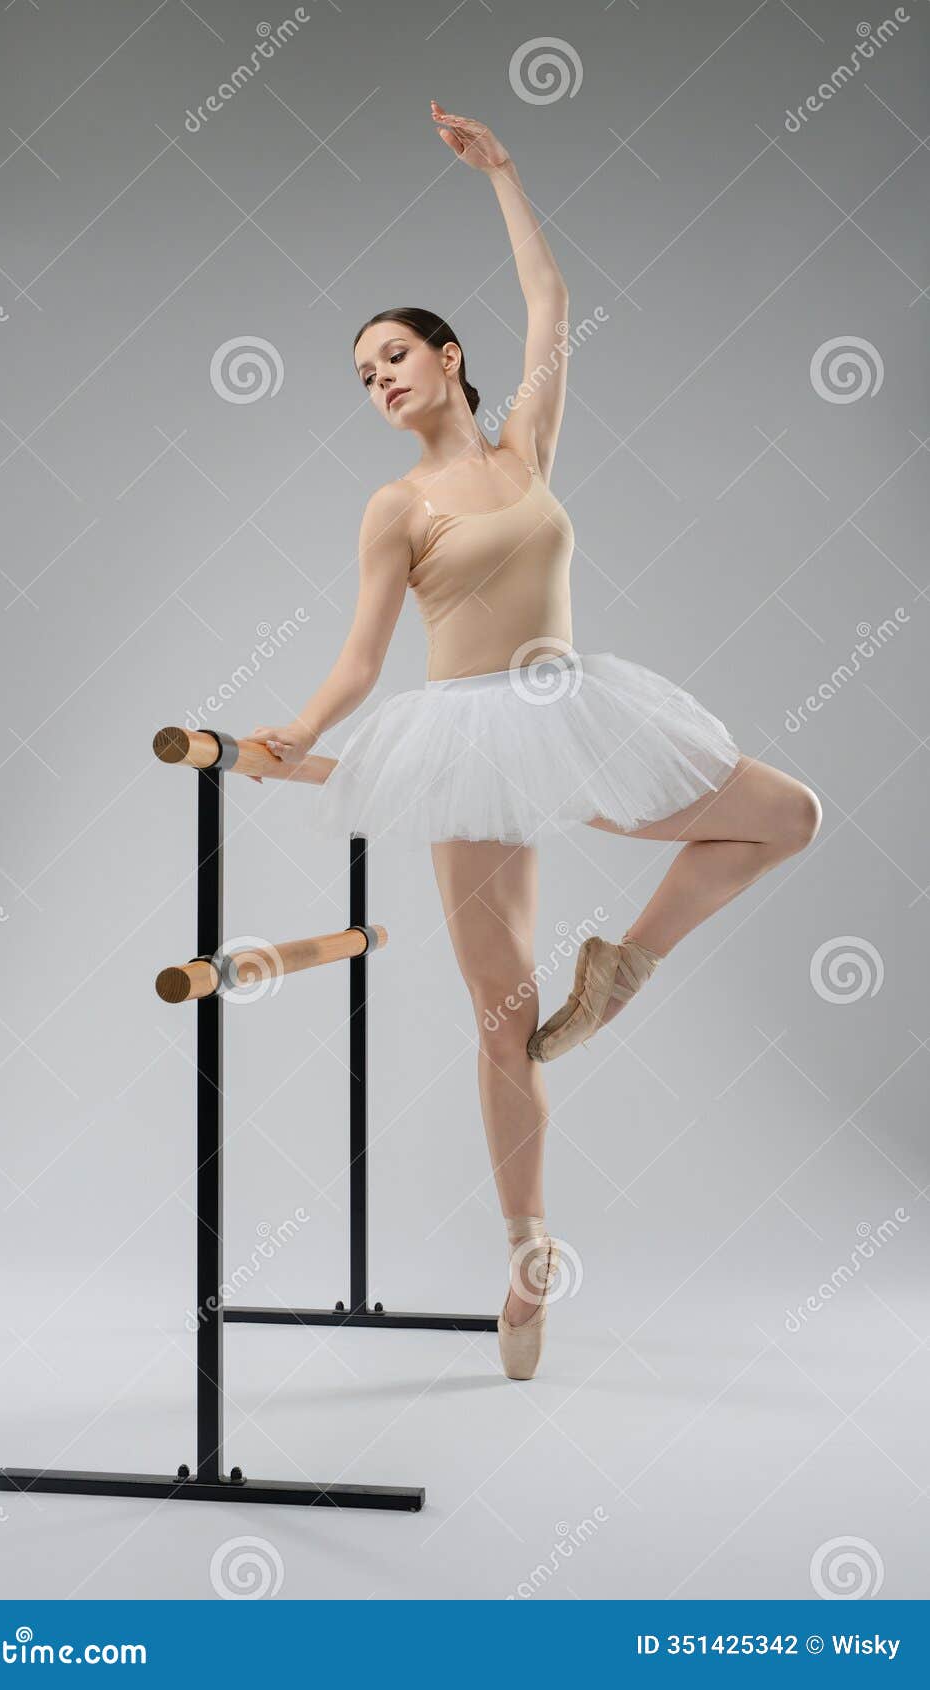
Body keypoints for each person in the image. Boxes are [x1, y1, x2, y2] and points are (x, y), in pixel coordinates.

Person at [243, 102, 822, 1380]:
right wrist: (296, 728)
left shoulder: (525, 452)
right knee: (501, 1020)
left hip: (573, 712)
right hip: (464, 744)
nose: (379, 381)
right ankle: (525, 1259)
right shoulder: (395, 505)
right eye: (362, 376)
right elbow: (361, 657)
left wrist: (500, 172)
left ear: (447, 357)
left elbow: (550, 303)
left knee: (785, 814)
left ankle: (622, 964)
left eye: (393, 355)